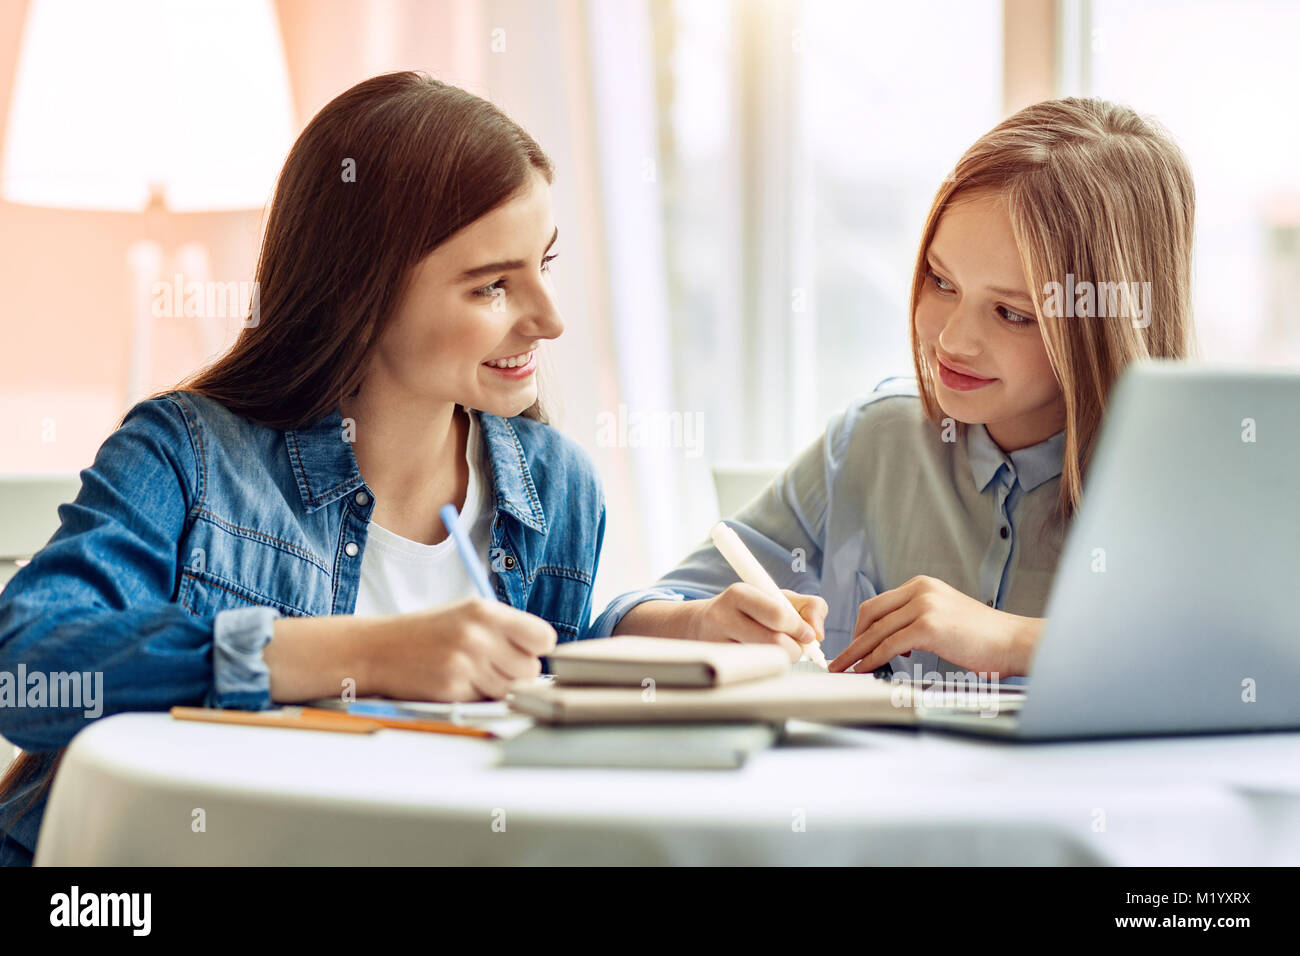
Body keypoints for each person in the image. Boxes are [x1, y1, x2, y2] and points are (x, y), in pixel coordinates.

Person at [0, 72, 606, 865]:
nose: (550, 320)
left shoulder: (556, 487)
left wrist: (655, 626)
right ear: (364, 291)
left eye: (544, 265)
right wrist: (364, 654)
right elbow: (28, 670)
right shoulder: (187, 453)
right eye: (491, 284)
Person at [591, 97, 1196, 684]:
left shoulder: (1186, 480)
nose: (953, 341)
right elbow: (618, 626)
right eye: (941, 281)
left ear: (1105, 322)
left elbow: (1253, 672)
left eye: (1012, 313)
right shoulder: (872, 441)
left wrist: (1015, 641)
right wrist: (700, 622)